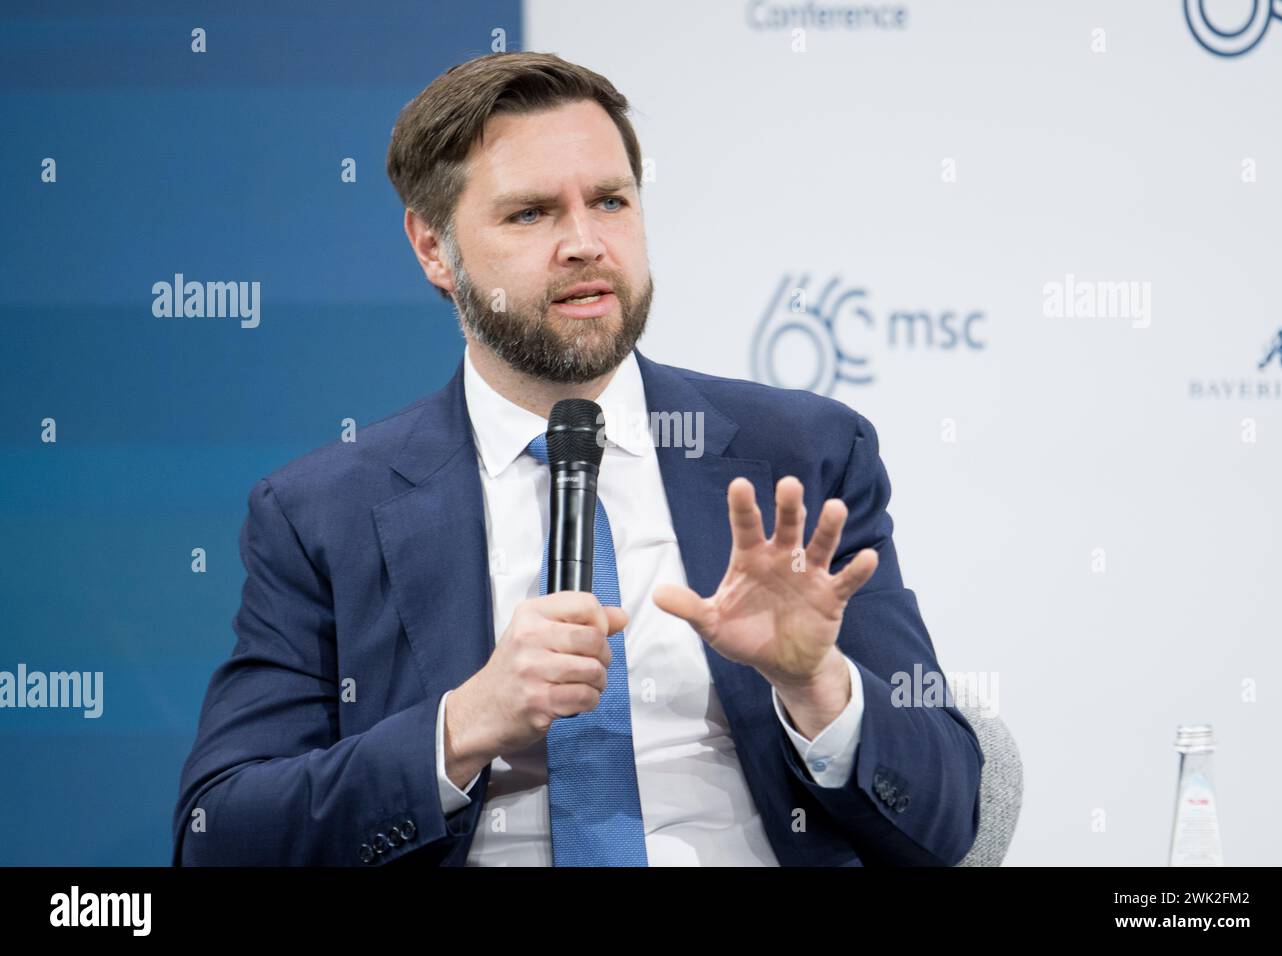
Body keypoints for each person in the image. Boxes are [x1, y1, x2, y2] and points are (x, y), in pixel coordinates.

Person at [172, 51, 983, 867]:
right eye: (530, 215)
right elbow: (220, 835)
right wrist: (460, 727)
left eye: (609, 201)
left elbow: (949, 820)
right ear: (432, 247)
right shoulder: (323, 513)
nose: (585, 244)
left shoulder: (801, 458)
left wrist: (818, 687)